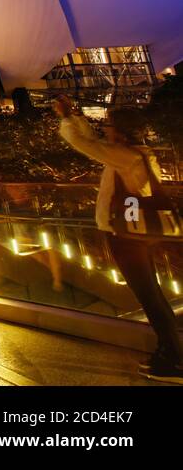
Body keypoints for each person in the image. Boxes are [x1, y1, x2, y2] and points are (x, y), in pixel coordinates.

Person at [54, 96, 182, 384]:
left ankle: (174, 360)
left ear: (121, 131)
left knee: (149, 296)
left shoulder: (126, 156)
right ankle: (167, 352)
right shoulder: (136, 153)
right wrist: (75, 117)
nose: (105, 128)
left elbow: (87, 146)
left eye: (109, 124)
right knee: (153, 294)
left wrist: (67, 119)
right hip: (136, 233)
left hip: (128, 236)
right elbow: (96, 145)